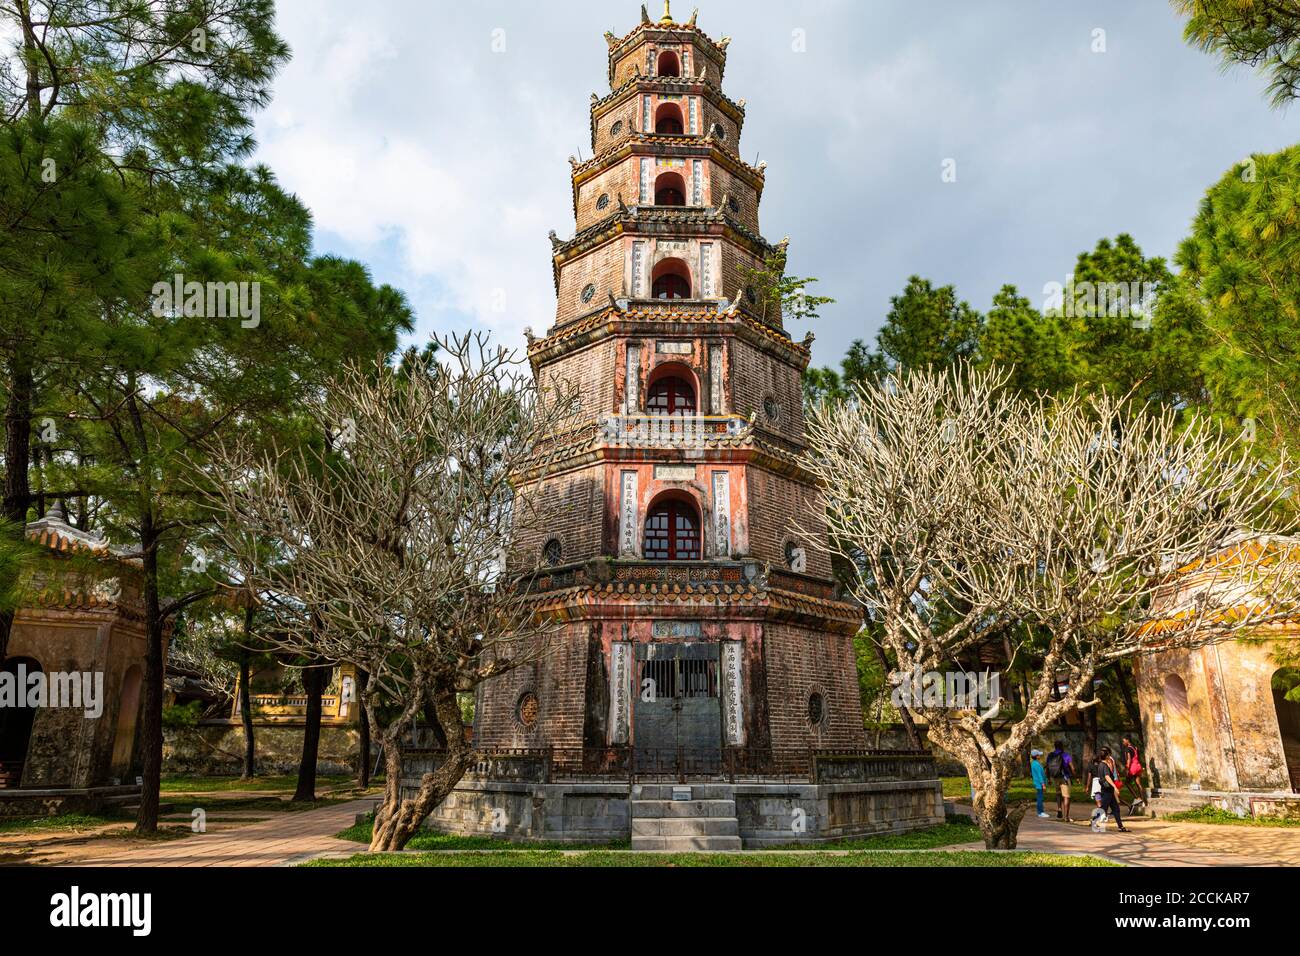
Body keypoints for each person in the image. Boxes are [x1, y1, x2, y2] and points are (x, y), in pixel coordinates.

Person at [1094, 746, 1128, 832]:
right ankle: (1094, 821)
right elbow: (1107, 777)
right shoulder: (1104, 765)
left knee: (1116, 809)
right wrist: (1115, 786)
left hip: (1108, 790)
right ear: (1106, 756)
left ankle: (1120, 826)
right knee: (1103, 808)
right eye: (1108, 755)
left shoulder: (1101, 765)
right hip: (1107, 791)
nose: (1109, 756)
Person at [1046, 740, 1074, 822]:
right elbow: (1072, 768)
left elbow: (1047, 767)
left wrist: (1048, 778)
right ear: (1062, 746)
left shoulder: (1050, 755)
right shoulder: (1066, 755)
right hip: (1064, 777)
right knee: (1066, 796)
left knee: (1058, 794)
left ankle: (1059, 809)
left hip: (1055, 777)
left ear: (1054, 746)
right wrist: (1074, 776)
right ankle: (1066, 817)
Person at [1119, 736, 1147, 812]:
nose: (1123, 742)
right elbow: (1138, 757)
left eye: (1124, 741)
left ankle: (1137, 798)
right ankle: (1144, 801)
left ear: (1128, 740)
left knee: (1127, 783)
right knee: (1138, 783)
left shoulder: (1128, 749)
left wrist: (1127, 769)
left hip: (1133, 767)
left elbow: (1129, 759)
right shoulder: (1135, 747)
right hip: (1138, 766)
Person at [1030, 749, 1049, 817]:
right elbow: (1039, 775)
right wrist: (1043, 784)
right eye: (1038, 755)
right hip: (1039, 784)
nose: (1040, 756)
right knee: (1040, 798)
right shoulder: (1036, 764)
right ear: (1036, 756)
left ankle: (1040, 812)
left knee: (1040, 797)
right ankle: (1040, 812)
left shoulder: (1035, 763)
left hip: (1038, 783)